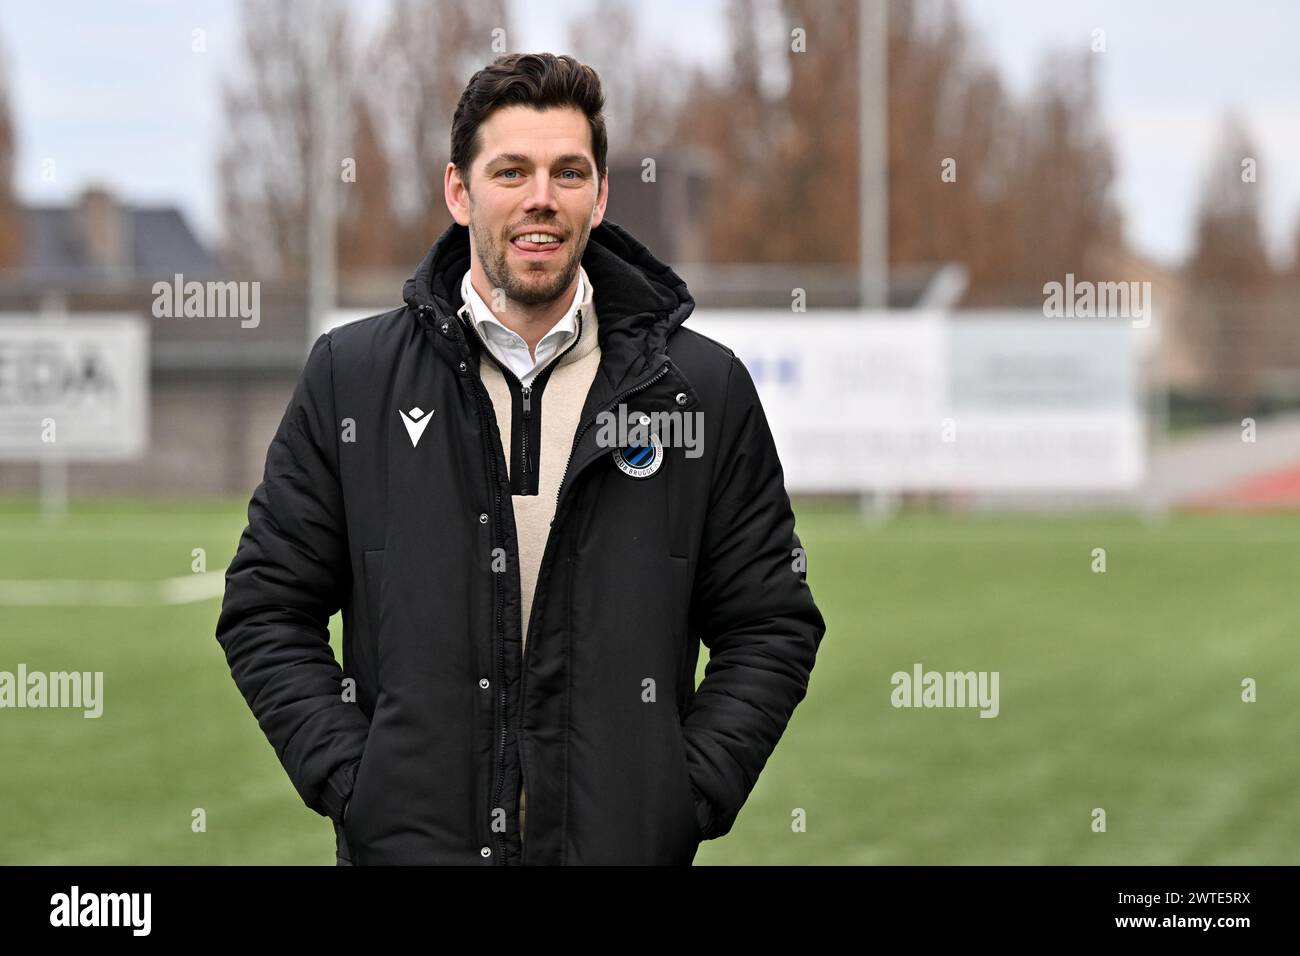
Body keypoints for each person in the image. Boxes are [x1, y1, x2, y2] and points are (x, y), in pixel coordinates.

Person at [215, 51, 826, 866]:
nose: (541, 198)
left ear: (601, 195)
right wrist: (359, 786)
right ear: (459, 192)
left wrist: (680, 796)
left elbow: (772, 623)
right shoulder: (352, 378)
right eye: (512, 171)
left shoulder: (697, 390)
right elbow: (266, 606)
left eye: (568, 172)